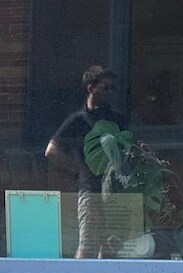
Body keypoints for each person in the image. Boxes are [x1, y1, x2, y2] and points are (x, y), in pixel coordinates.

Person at [45, 65, 130, 258]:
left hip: (115, 193)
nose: (110, 93)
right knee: (87, 247)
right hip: (91, 190)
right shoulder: (79, 120)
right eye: (105, 88)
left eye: (112, 88)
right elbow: (51, 151)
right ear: (90, 88)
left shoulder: (117, 119)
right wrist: (79, 170)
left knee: (110, 249)